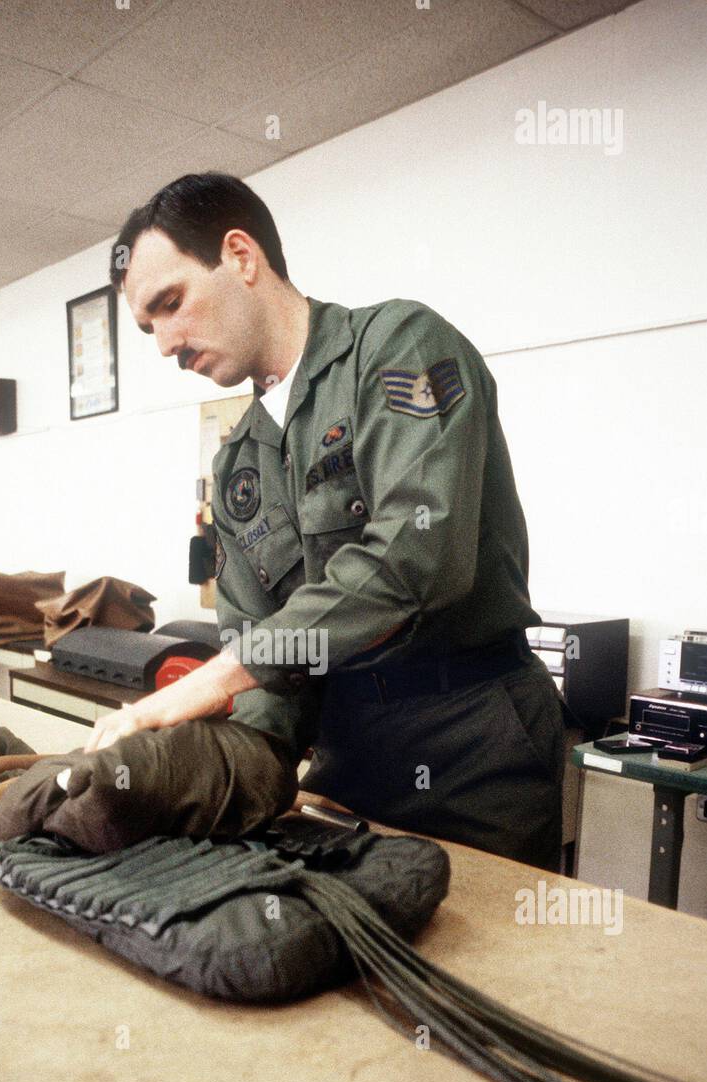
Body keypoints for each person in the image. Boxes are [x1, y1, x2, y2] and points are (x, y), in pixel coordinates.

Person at [86, 171, 568, 871]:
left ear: (241, 257)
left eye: (171, 303)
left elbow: (417, 556)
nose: (164, 344)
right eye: (148, 325)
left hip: (469, 740)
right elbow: (264, 657)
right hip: (347, 750)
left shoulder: (400, 346)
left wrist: (218, 676)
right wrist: (235, 774)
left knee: (480, 965)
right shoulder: (237, 466)